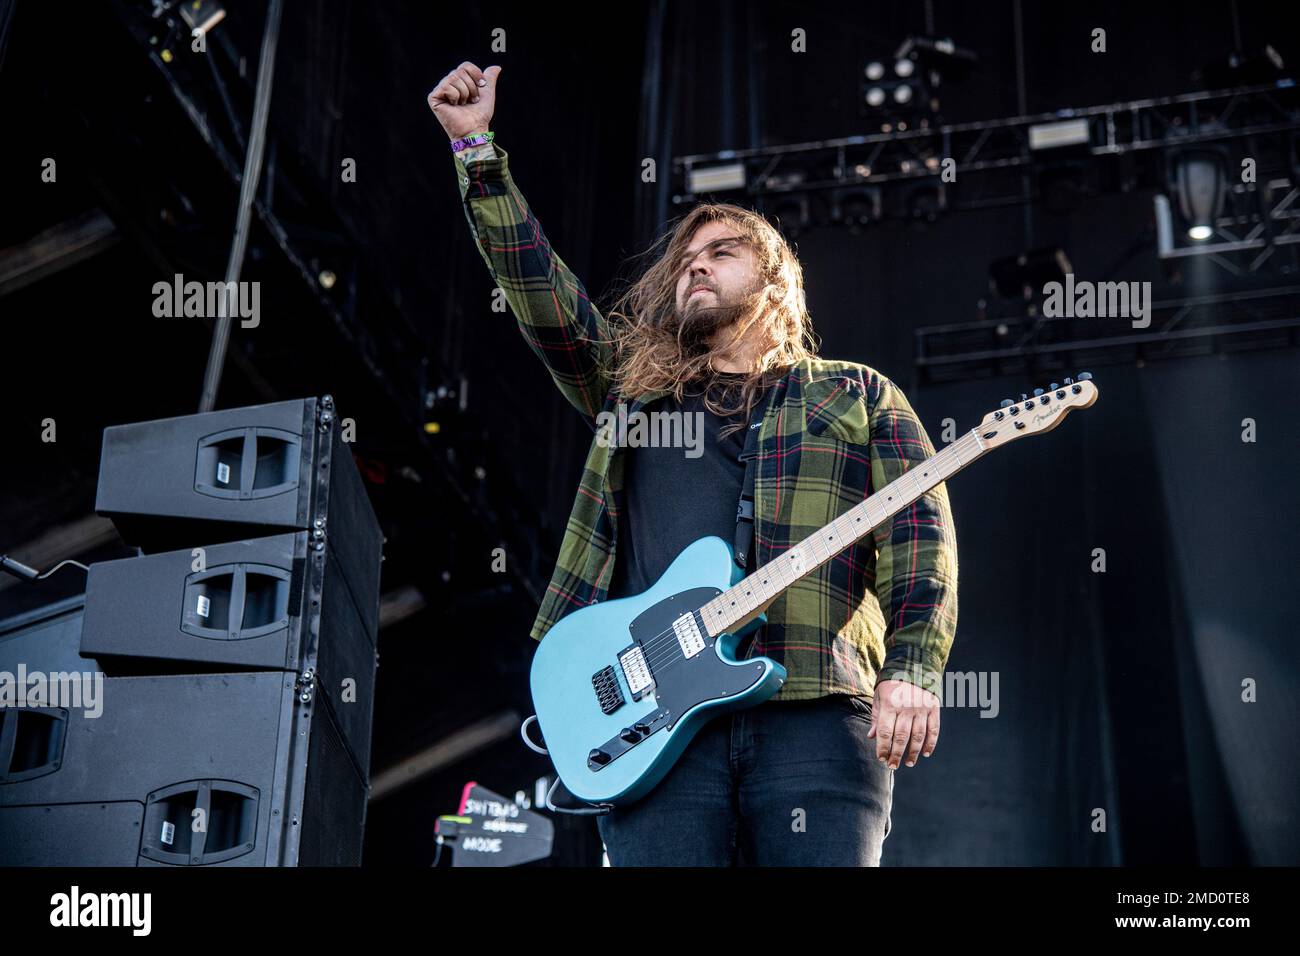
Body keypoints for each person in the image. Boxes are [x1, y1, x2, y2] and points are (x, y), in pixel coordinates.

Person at [428, 61, 959, 866]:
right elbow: (540, 290)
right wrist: (476, 152)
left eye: (721, 251)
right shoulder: (631, 391)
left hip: (815, 709)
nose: (694, 267)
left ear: (776, 280)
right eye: (685, 261)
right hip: (650, 716)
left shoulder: (855, 394)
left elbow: (920, 540)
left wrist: (913, 667)